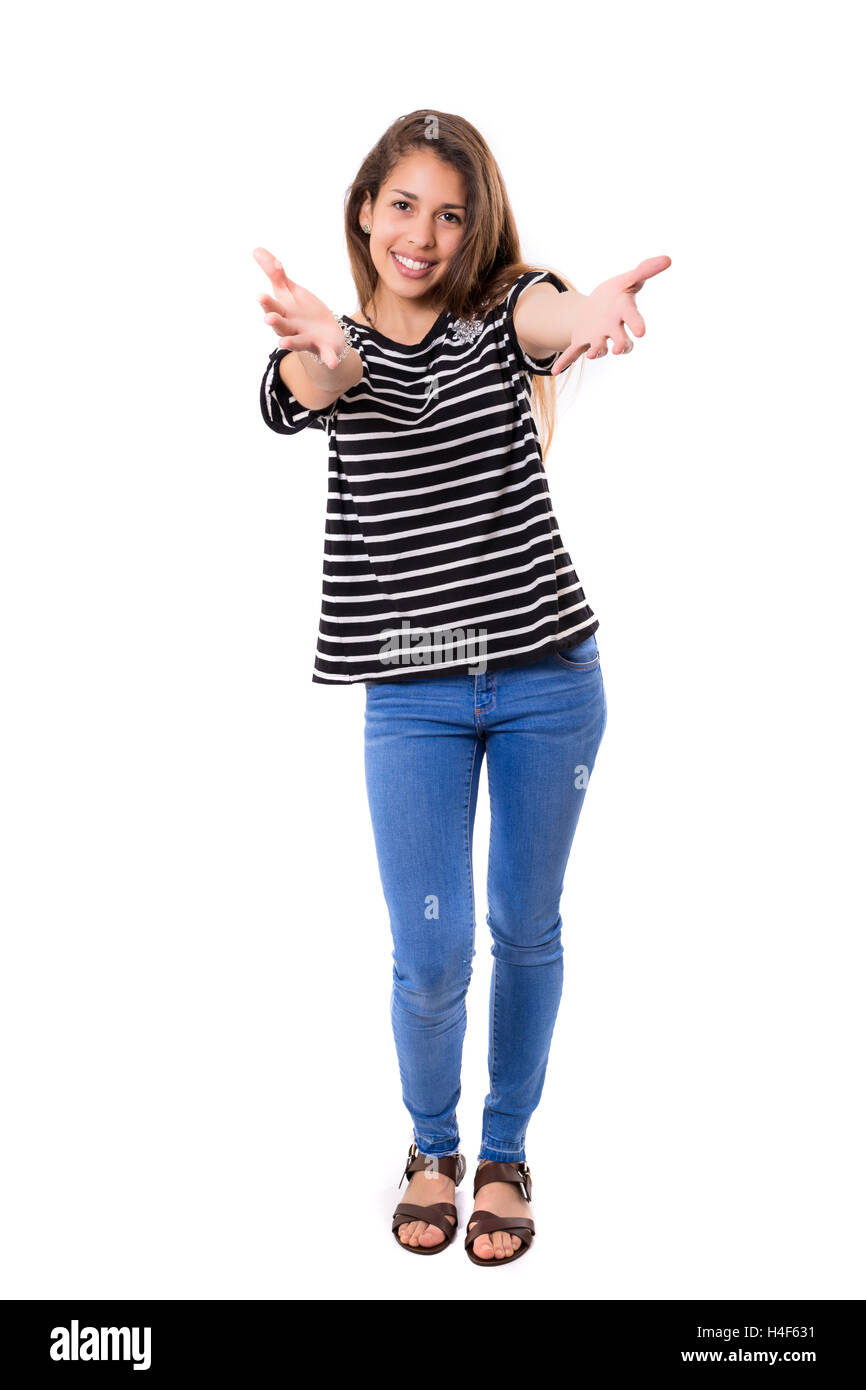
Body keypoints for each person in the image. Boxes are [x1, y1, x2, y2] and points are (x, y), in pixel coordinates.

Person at [255, 109, 670, 1266]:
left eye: (449, 212)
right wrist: (324, 348)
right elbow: (311, 384)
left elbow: (552, 314)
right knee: (430, 950)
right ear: (362, 211)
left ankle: (504, 1154)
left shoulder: (500, 314)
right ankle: (428, 1147)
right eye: (402, 206)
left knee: (520, 927)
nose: (423, 235)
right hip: (412, 699)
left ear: (475, 225)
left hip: (550, 681)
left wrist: (587, 314)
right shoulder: (334, 344)